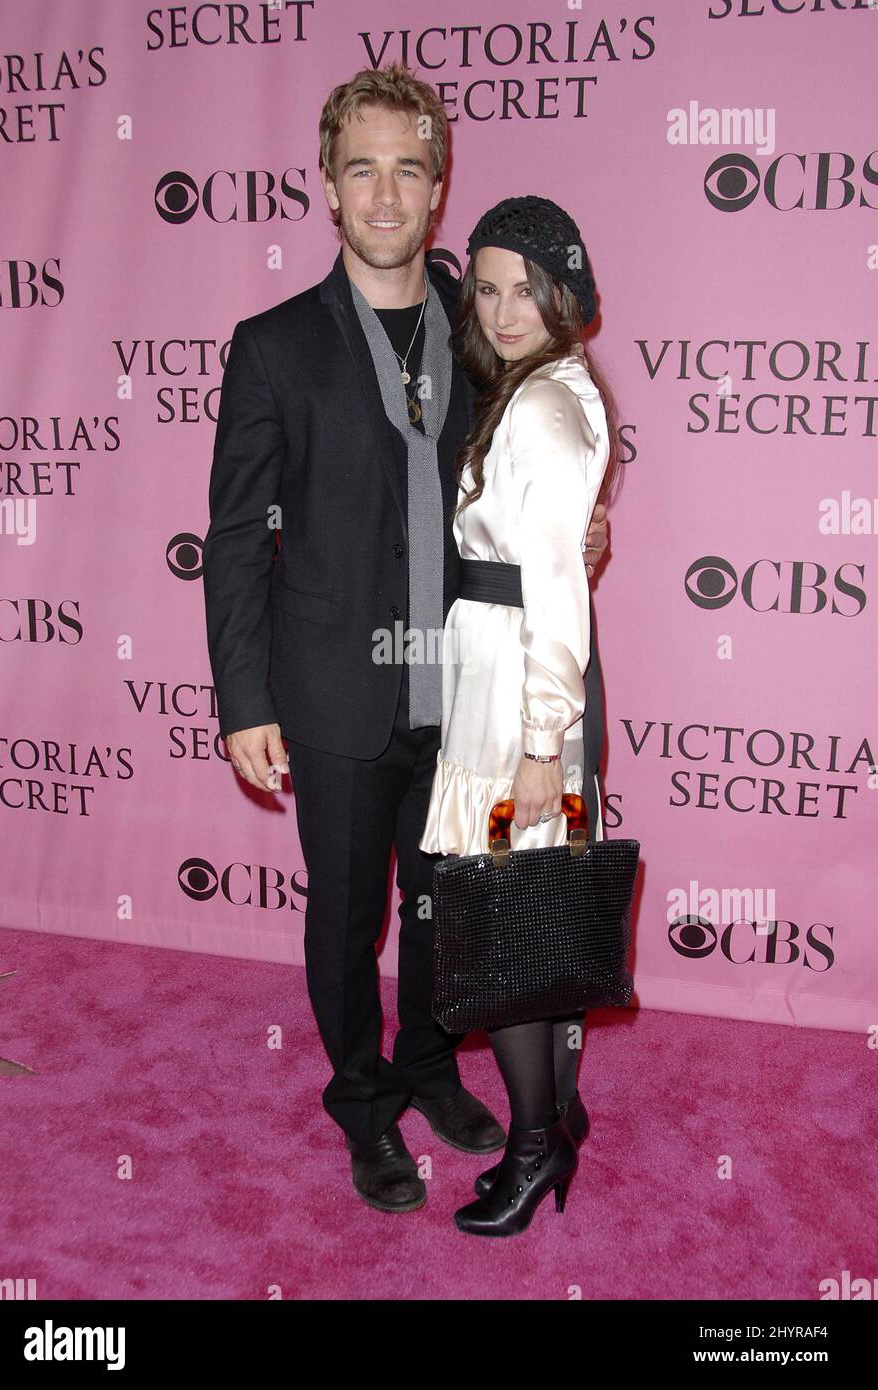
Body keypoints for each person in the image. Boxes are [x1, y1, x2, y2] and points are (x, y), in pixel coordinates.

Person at [202, 65, 610, 1216]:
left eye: (409, 169)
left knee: (447, 903)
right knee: (345, 915)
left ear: (439, 188)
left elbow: (529, 473)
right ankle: (364, 1101)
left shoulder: (486, 324)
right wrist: (244, 699)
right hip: (330, 689)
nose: (386, 193)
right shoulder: (272, 345)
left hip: (465, 688)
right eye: (361, 168)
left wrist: (572, 534)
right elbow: (235, 536)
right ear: (328, 188)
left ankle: (433, 1066)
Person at [418, 196, 623, 1237]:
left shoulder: (540, 409)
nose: (501, 311)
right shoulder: (541, 387)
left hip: (516, 704)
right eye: (485, 288)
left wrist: (542, 744)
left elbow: (551, 583)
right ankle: (552, 1121)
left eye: (523, 290)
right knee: (524, 911)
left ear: (565, 292)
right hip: (500, 682)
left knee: (504, 926)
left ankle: (534, 1146)